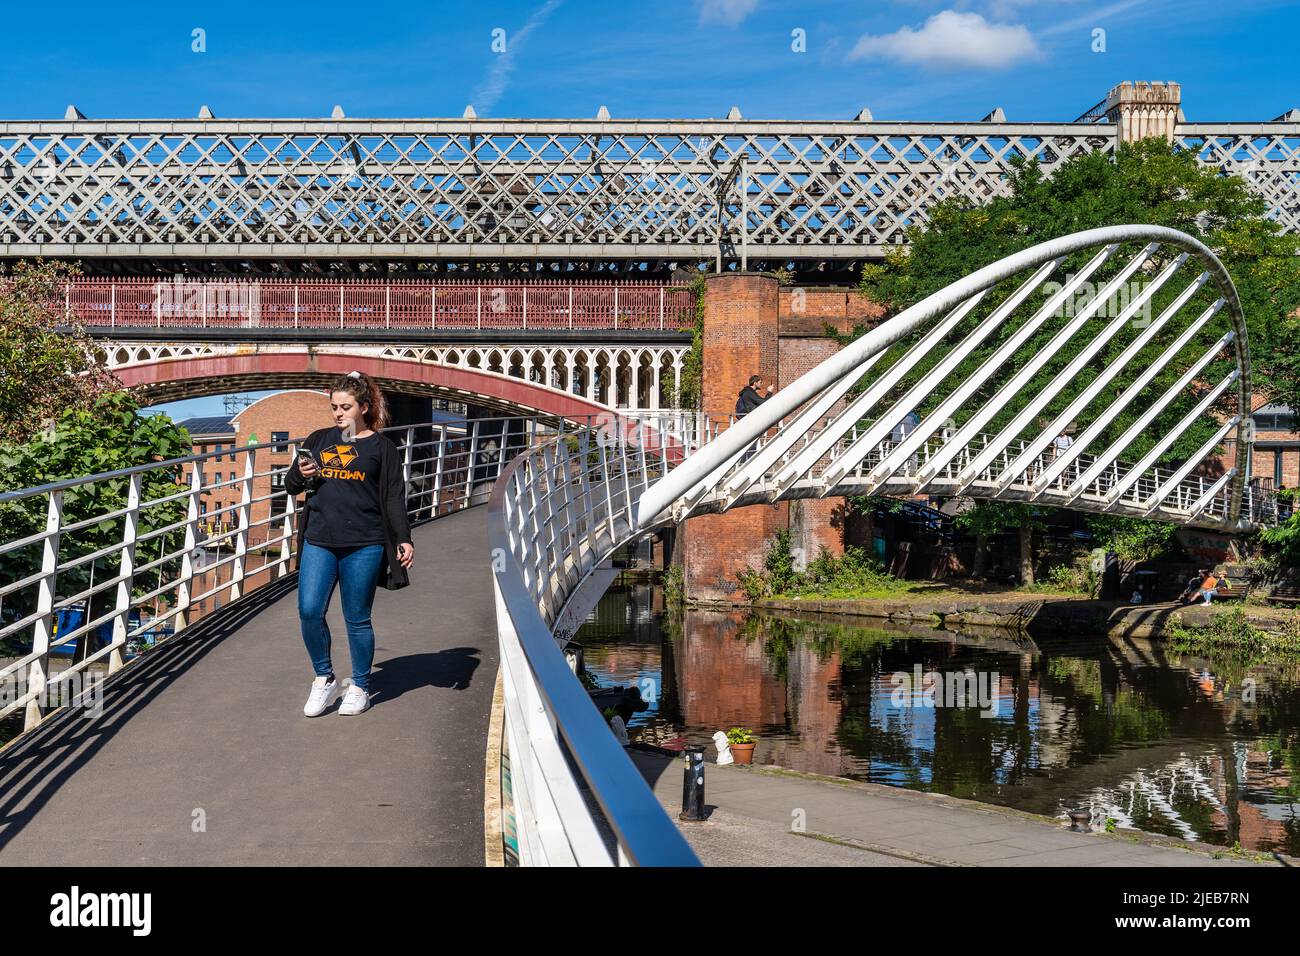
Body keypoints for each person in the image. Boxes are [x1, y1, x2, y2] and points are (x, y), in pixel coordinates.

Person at [284, 370, 415, 717]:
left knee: (356, 617)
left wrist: (403, 538)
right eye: (334, 407)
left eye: (345, 407)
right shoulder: (319, 439)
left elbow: (392, 497)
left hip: (365, 542)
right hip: (320, 540)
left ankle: (360, 686)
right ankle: (324, 677)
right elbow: (291, 485)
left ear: (363, 407)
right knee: (309, 611)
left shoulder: (382, 448)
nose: (338, 413)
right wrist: (302, 474)